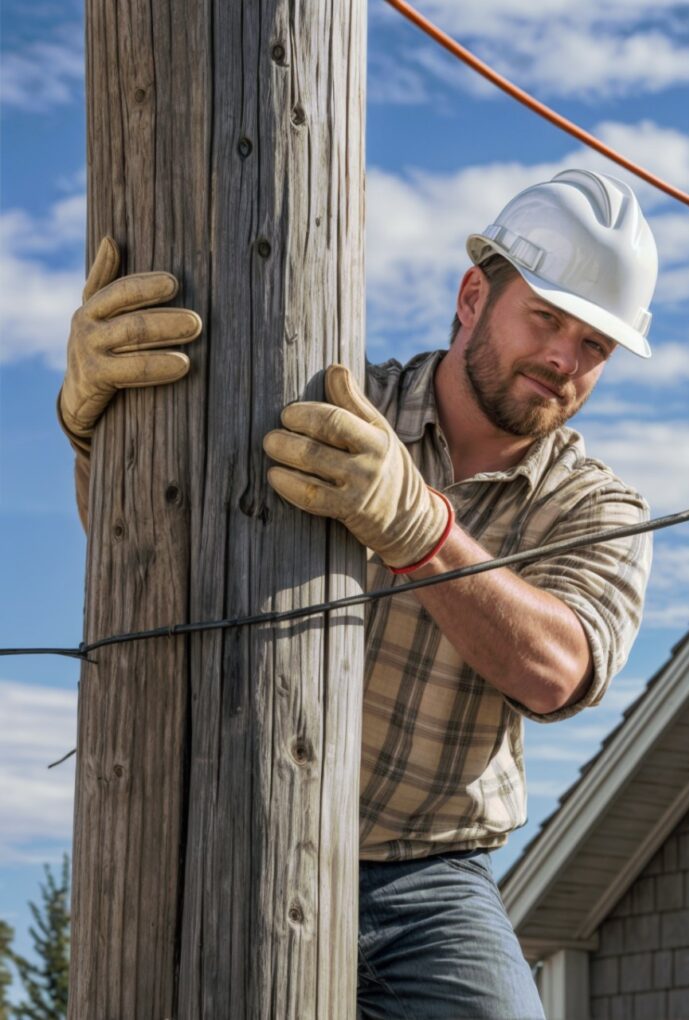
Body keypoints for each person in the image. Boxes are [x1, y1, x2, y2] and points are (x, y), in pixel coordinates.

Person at [58, 169, 658, 1019]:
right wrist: (96, 433)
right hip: (229, 824)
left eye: (595, 343)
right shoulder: (332, 405)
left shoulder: (596, 506)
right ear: (473, 294)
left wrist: (421, 531)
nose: (564, 356)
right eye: (547, 318)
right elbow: (143, 555)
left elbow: (559, 673)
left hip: (427, 879)